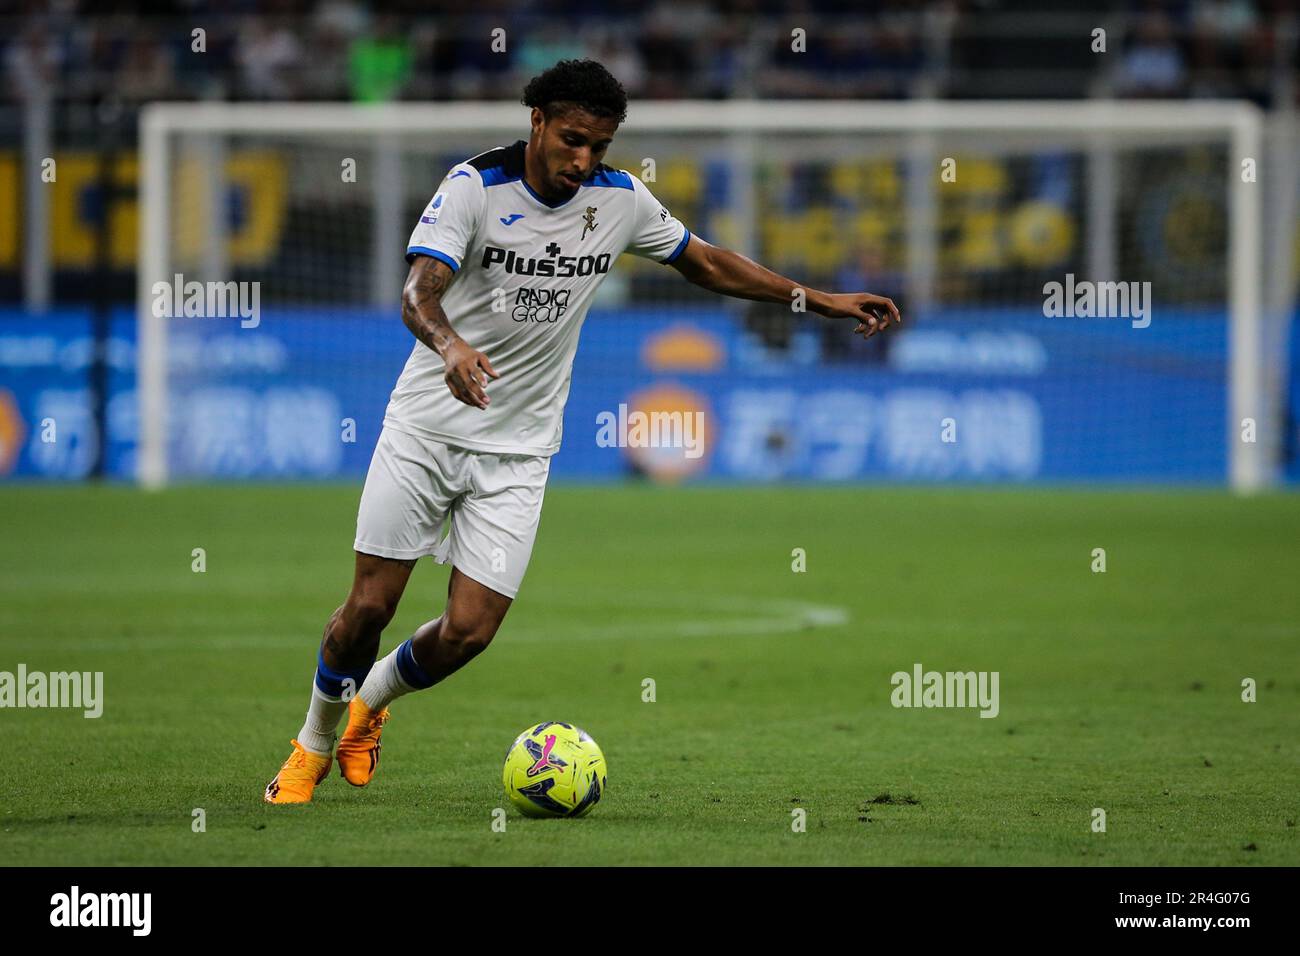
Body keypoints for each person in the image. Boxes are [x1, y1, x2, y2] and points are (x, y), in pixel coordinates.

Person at [265, 58, 899, 804]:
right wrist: (451, 346)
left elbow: (706, 262)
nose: (583, 159)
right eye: (572, 140)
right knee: (370, 607)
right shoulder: (473, 188)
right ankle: (311, 744)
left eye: (598, 146)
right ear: (537, 122)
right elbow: (416, 294)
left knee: (470, 631)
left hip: (520, 450)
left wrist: (819, 300)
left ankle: (369, 704)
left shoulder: (618, 199)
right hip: (425, 433)